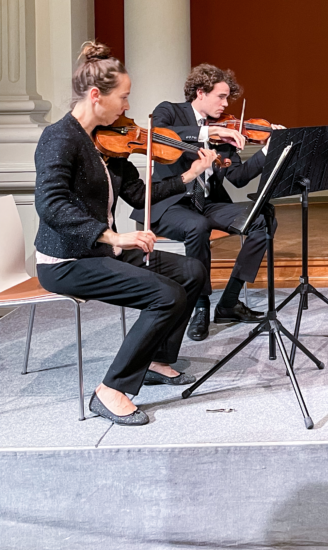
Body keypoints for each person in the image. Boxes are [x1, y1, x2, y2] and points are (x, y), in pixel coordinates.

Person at [35, 42, 215, 427]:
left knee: (192, 273)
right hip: (67, 259)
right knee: (165, 295)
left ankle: (155, 358)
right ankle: (110, 390)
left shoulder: (108, 142)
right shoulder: (59, 138)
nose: (128, 107)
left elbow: (137, 194)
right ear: (97, 95)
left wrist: (189, 176)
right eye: (124, 97)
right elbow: (51, 206)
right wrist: (113, 237)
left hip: (100, 251)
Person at [133, 64, 284, 342]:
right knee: (197, 226)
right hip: (169, 203)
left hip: (208, 202)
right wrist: (208, 133)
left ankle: (229, 301)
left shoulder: (228, 129)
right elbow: (160, 133)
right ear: (200, 92)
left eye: (228, 99)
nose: (226, 104)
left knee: (262, 218)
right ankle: (200, 305)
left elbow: (238, 177)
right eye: (221, 97)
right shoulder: (170, 110)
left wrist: (266, 151)